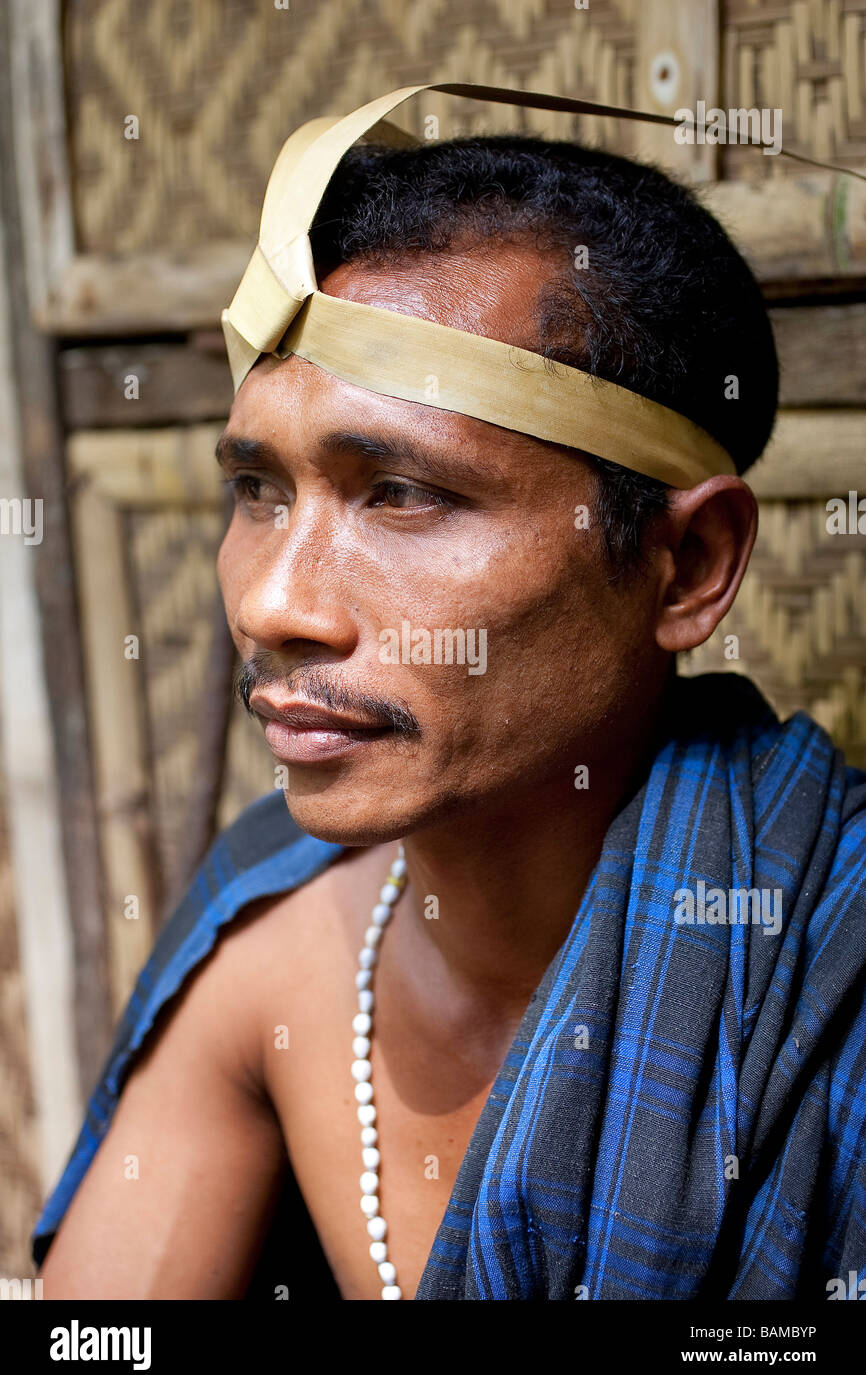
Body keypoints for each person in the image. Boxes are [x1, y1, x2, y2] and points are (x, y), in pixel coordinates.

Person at [33, 128, 866, 1301]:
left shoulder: (827, 978)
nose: (274, 603)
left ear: (684, 566)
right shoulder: (271, 935)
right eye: (257, 491)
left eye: (405, 494)